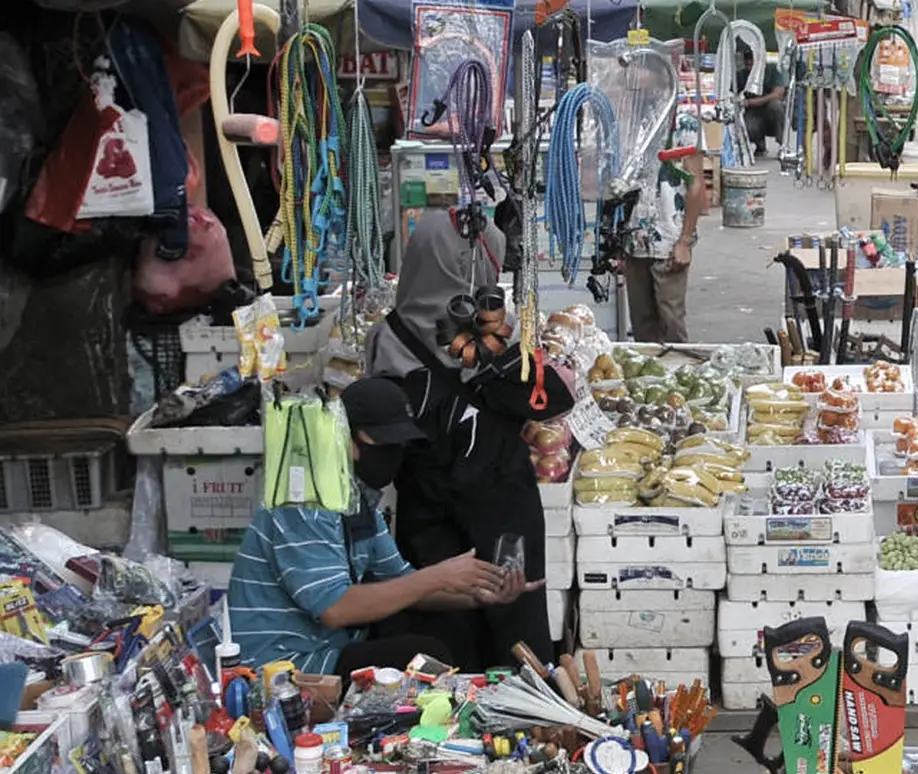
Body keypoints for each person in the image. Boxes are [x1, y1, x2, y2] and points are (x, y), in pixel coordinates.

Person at [367, 207, 574, 670]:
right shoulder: (494, 341)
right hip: (502, 518)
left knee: (441, 651)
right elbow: (552, 400)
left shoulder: (387, 335)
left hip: (427, 520)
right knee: (514, 647)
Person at [228, 378, 530, 675]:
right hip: (282, 664)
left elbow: (401, 581)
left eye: (400, 444)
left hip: (329, 649)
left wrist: (479, 596)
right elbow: (334, 609)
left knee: (438, 628)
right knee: (423, 654)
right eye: (385, 442)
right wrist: (438, 576)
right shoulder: (305, 503)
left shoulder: (358, 501)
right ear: (344, 438)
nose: (394, 453)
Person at [621, 52, 707, 342]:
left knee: (671, 323)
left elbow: (695, 184)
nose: (633, 81)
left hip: (668, 240)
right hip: (634, 239)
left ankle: (680, 371)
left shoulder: (685, 124)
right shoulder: (632, 122)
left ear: (660, 78)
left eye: (641, 73)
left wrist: (684, 240)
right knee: (642, 325)